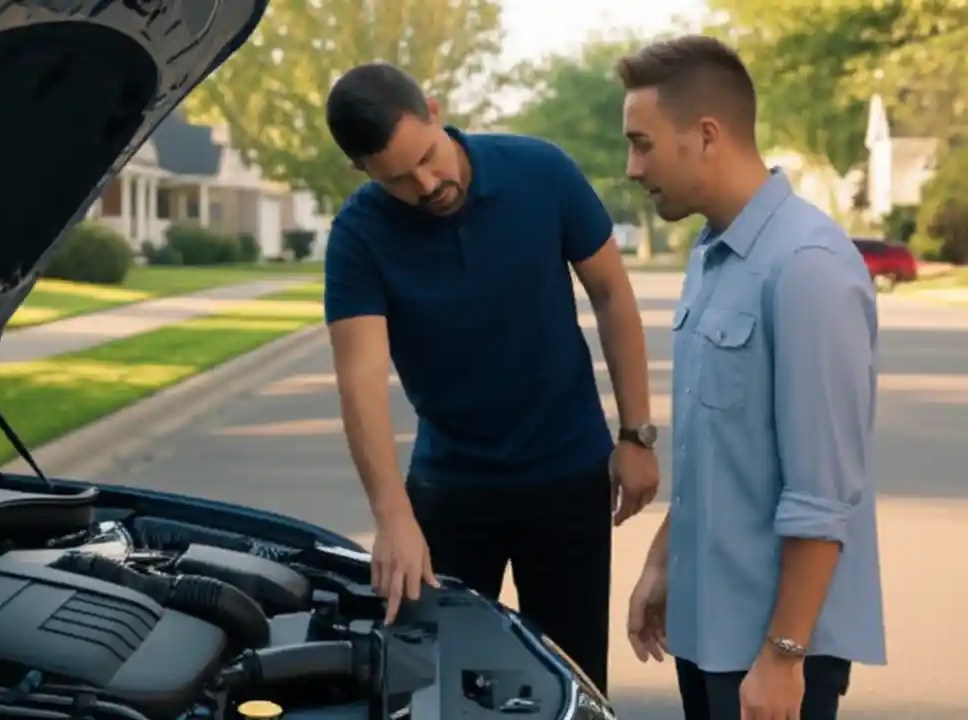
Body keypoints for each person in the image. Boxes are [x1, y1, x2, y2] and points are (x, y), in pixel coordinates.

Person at [321, 62, 659, 695]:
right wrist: (393, 517)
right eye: (398, 178)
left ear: (434, 105)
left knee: (570, 678)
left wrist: (636, 434)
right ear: (363, 173)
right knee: (440, 690)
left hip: (568, 477)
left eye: (427, 156)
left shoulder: (541, 171)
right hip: (450, 490)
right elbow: (360, 377)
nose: (426, 184)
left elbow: (612, 294)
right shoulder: (359, 235)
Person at [616, 35, 887, 720]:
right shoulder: (713, 257)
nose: (630, 166)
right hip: (708, 628)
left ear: (706, 135)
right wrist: (663, 560)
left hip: (774, 646)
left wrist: (784, 656)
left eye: (642, 143)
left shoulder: (807, 267)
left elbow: (824, 490)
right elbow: (719, 447)